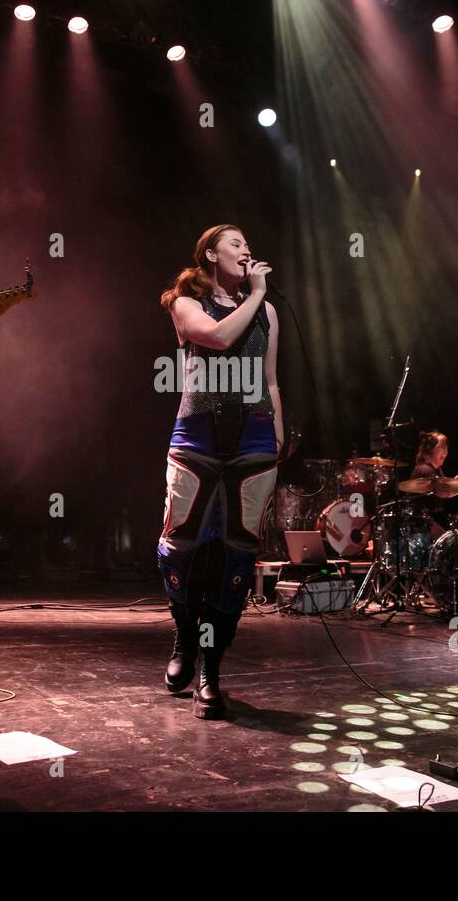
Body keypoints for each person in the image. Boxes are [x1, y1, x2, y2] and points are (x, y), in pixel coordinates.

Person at [156, 224, 282, 719]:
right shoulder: (185, 303)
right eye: (235, 243)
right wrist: (258, 293)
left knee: (237, 554)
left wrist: (277, 435)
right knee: (179, 545)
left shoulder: (267, 312)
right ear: (210, 254)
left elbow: (270, 380)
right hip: (199, 434)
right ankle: (184, 635)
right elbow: (220, 336)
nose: (246, 249)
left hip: (252, 435)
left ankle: (212, 666)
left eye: (248, 243)